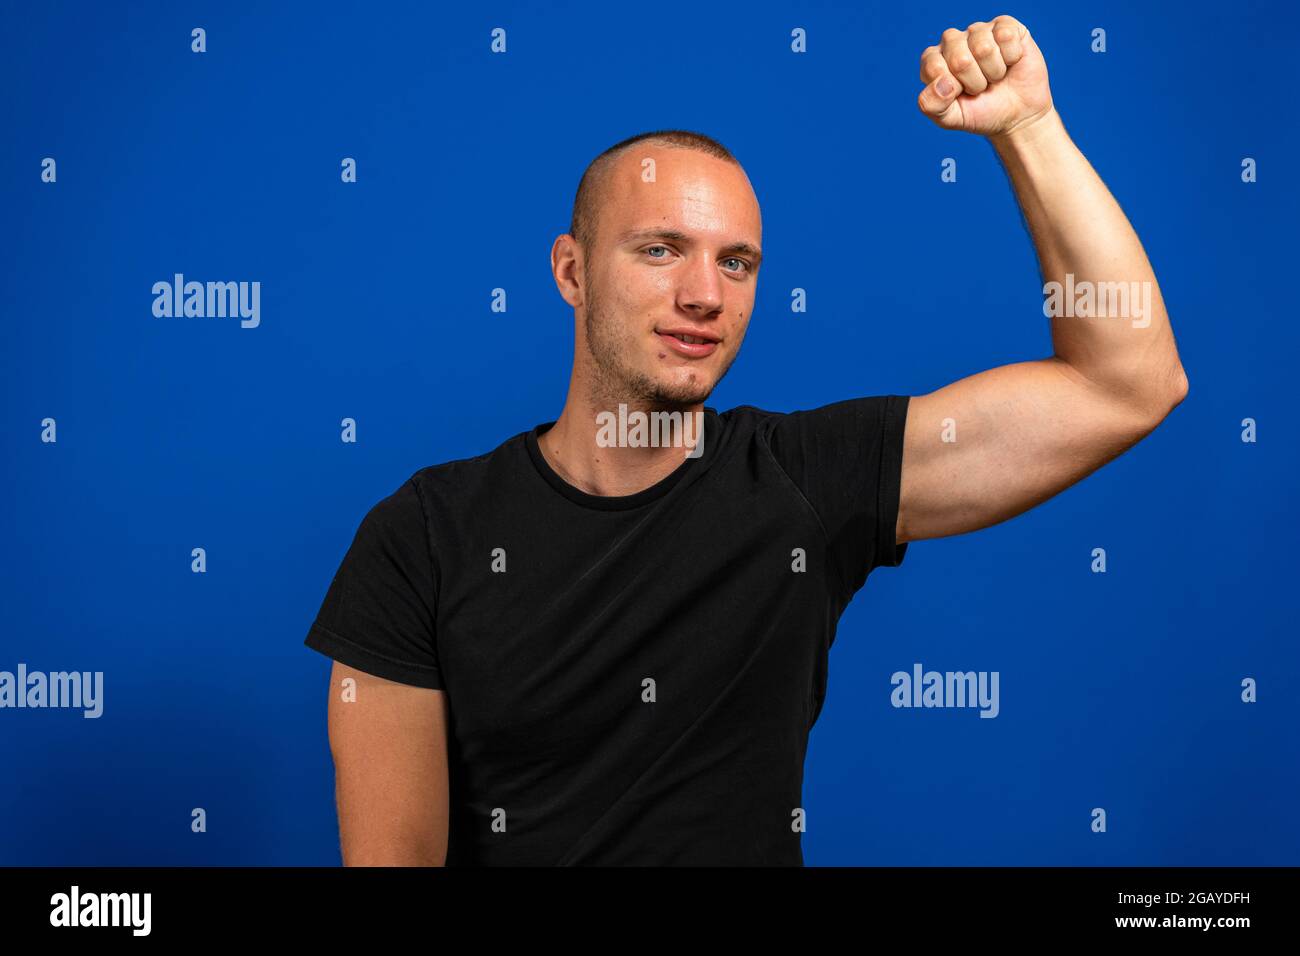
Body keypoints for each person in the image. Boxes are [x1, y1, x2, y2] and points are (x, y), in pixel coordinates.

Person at [304, 14, 1187, 865]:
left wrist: (1029, 128)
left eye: (737, 262)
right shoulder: (424, 536)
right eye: (660, 250)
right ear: (571, 271)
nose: (705, 295)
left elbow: (1128, 383)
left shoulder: (803, 486)